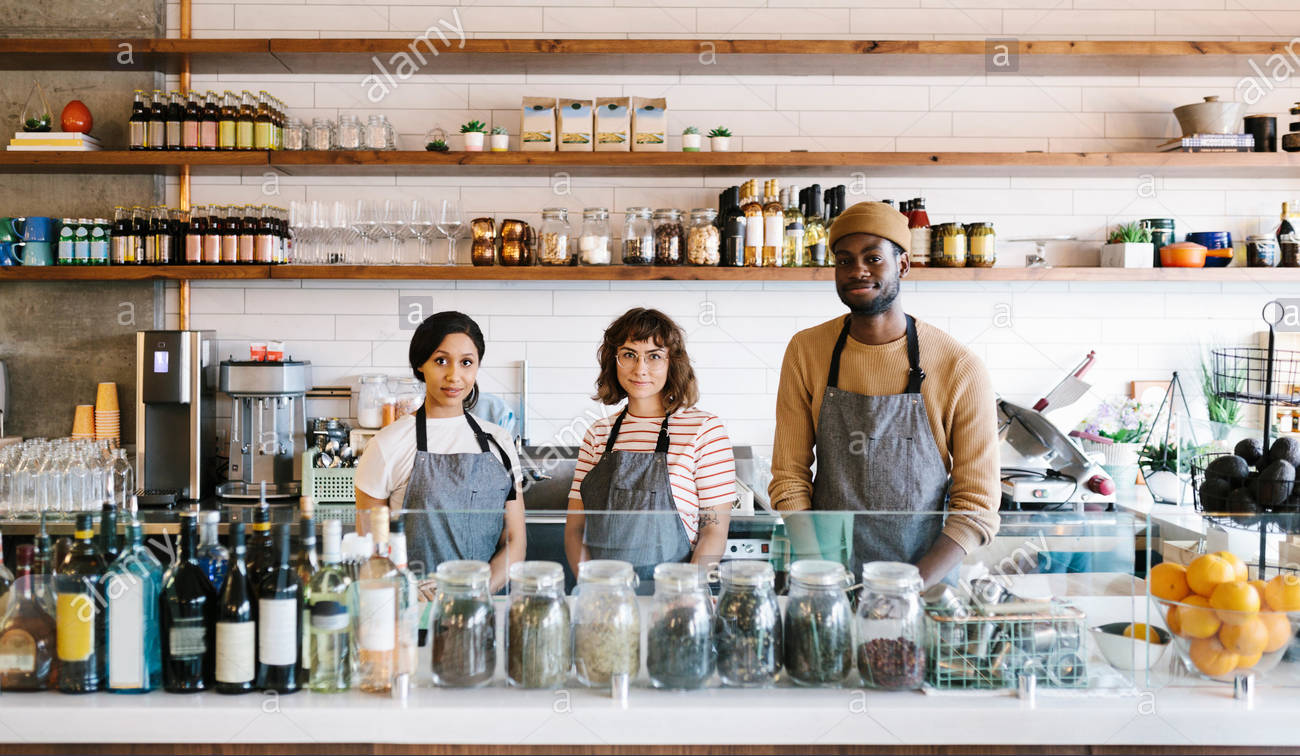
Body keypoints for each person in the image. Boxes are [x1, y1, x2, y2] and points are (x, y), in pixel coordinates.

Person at [769, 201, 999, 588]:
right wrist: (821, 573)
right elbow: (789, 479)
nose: (857, 270)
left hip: (924, 586)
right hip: (826, 579)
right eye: (844, 260)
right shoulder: (806, 350)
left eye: (873, 258)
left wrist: (903, 590)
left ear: (903, 265)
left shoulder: (959, 366)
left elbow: (976, 506)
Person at [355, 311, 525, 593]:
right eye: (441, 361)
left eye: (466, 363)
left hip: (484, 608)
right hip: (415, 615)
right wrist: (411, 594)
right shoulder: (386, 445)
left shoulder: (501, 441)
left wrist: (476, 592)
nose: (454, 375)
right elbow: (372, 553)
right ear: (420, 364)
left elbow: (515, 541)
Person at [566, 308, 736, 582]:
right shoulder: (597, 434)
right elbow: (575, 529)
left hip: (678, 597)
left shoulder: (705, 430)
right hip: (607, 596)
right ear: (615, 361)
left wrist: (681, 598)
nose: (640, 369)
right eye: (629, 355)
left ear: (672, 363)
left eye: (654, 356)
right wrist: (593, 587)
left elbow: (714, 534)